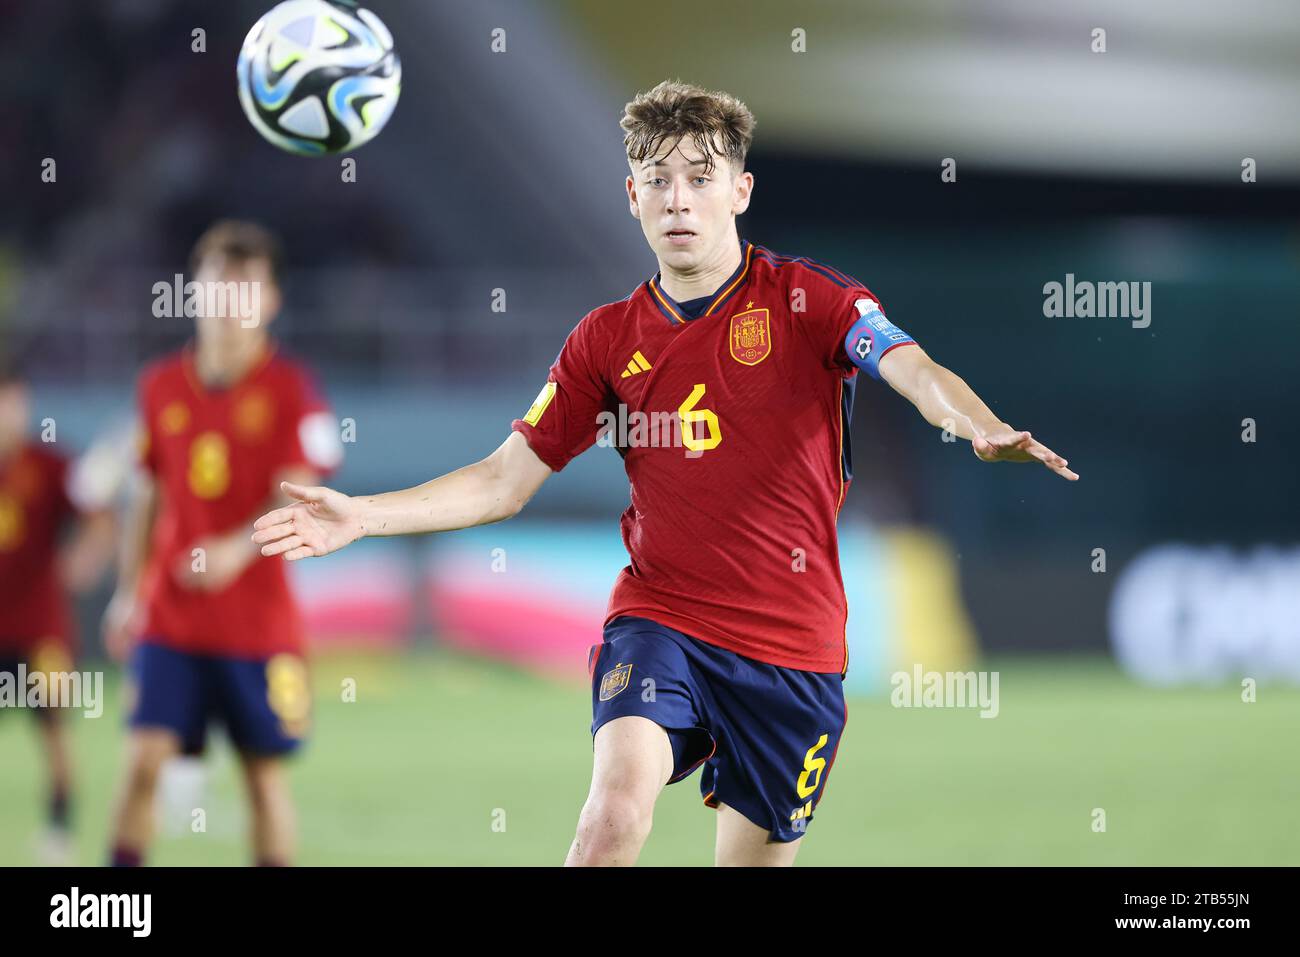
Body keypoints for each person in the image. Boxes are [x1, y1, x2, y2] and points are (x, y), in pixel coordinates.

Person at [251, 81, 1076, 866]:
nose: (678, 198)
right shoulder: (604, 341)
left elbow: (913, 367)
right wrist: (361, 514)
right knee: (612, 813)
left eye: (699, 178)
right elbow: (503, 481)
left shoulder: (808, 300)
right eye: (657, 180)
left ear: (740, 191)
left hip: (795, 650)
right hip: (661, 621)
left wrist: (974, 422)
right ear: (632, 197)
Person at [104, 221, 342, 866]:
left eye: (247, 285)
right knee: (142, 764)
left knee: (263, 780)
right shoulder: (158, 386)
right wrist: (128, 593)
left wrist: (237, 548)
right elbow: (146, 494)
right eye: (217, 283)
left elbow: (303, 488)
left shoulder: (294, 390)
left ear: (271, 302)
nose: (230, 298)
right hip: (170, 616)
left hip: (257, 626)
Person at [0, 358, 115, 864]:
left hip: (41, 631)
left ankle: (60, 829)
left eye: (9, 403)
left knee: (53, 730)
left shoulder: (50, 465)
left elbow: (98, 518)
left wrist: (86, 558)